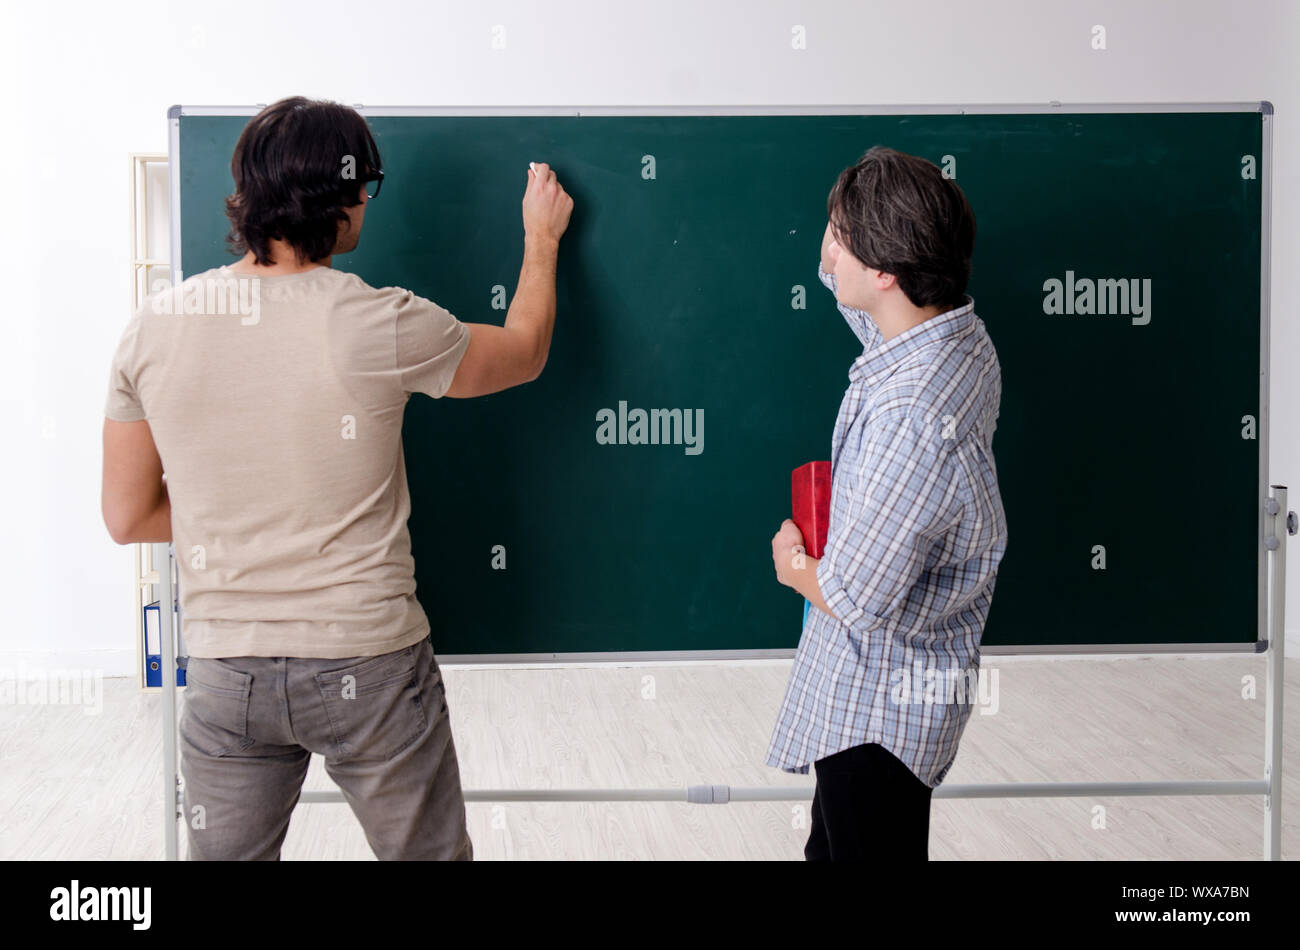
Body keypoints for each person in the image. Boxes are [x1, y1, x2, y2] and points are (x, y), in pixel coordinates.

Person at [100, 96, 573, 860]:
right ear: (343, 198)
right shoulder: (379, 322)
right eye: (366, 187)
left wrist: (245, 515)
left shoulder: (152, 328)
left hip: (228, 672)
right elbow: (524, 350)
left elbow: (127, 515)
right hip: (369, 665)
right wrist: (541, 240)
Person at [767, 146, 1007, 861]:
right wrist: (854, 216)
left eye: (839, 237)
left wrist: (793, 563)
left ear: (886, 272)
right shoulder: (955, 337)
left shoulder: (911, 413)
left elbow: (856, 593)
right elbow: (849, 285)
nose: (827, 252)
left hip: (875, 709)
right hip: (900, 701)